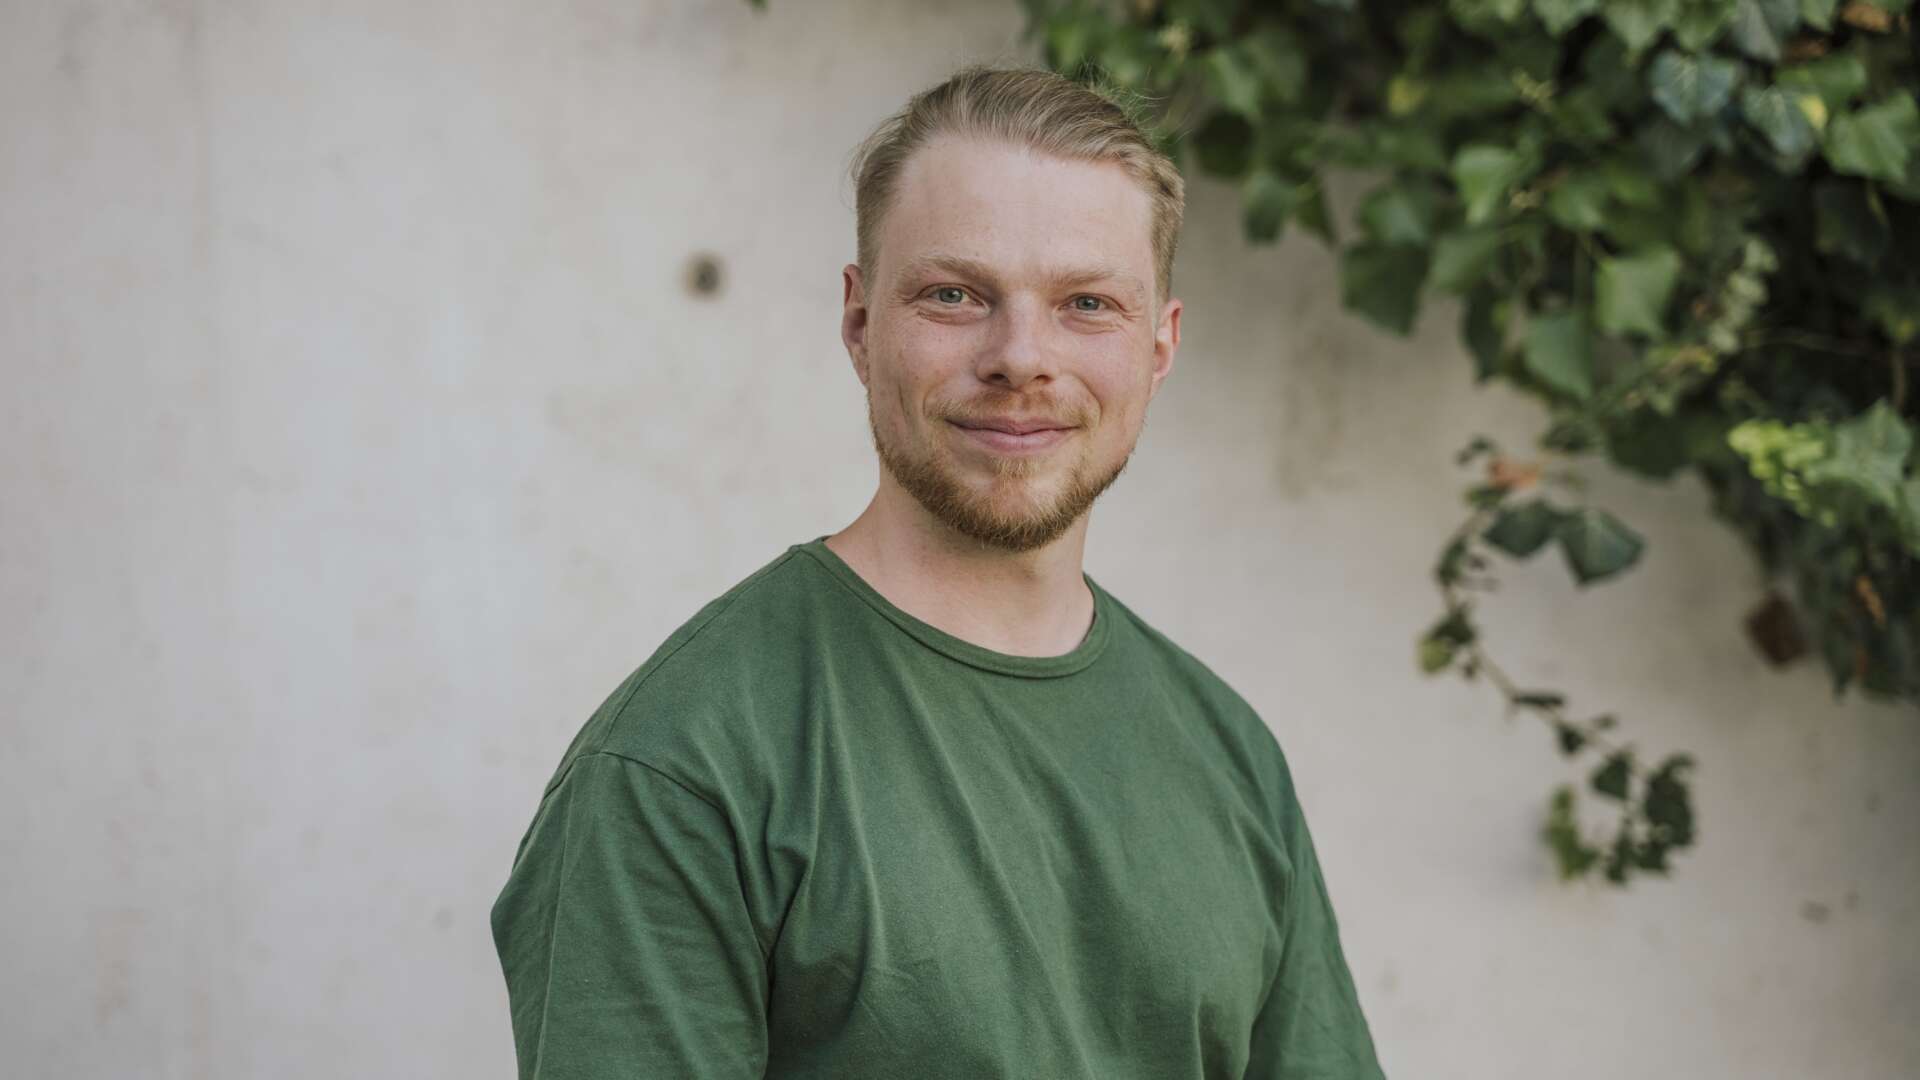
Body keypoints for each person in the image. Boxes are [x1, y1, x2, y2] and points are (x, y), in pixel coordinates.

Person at [489, 64, 1387, 1079]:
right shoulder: (686, 760)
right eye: (955, 295)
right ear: (862, 323)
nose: (1020, 356)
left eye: (1086, 303)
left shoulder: (1229, 755)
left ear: (1159, 346)